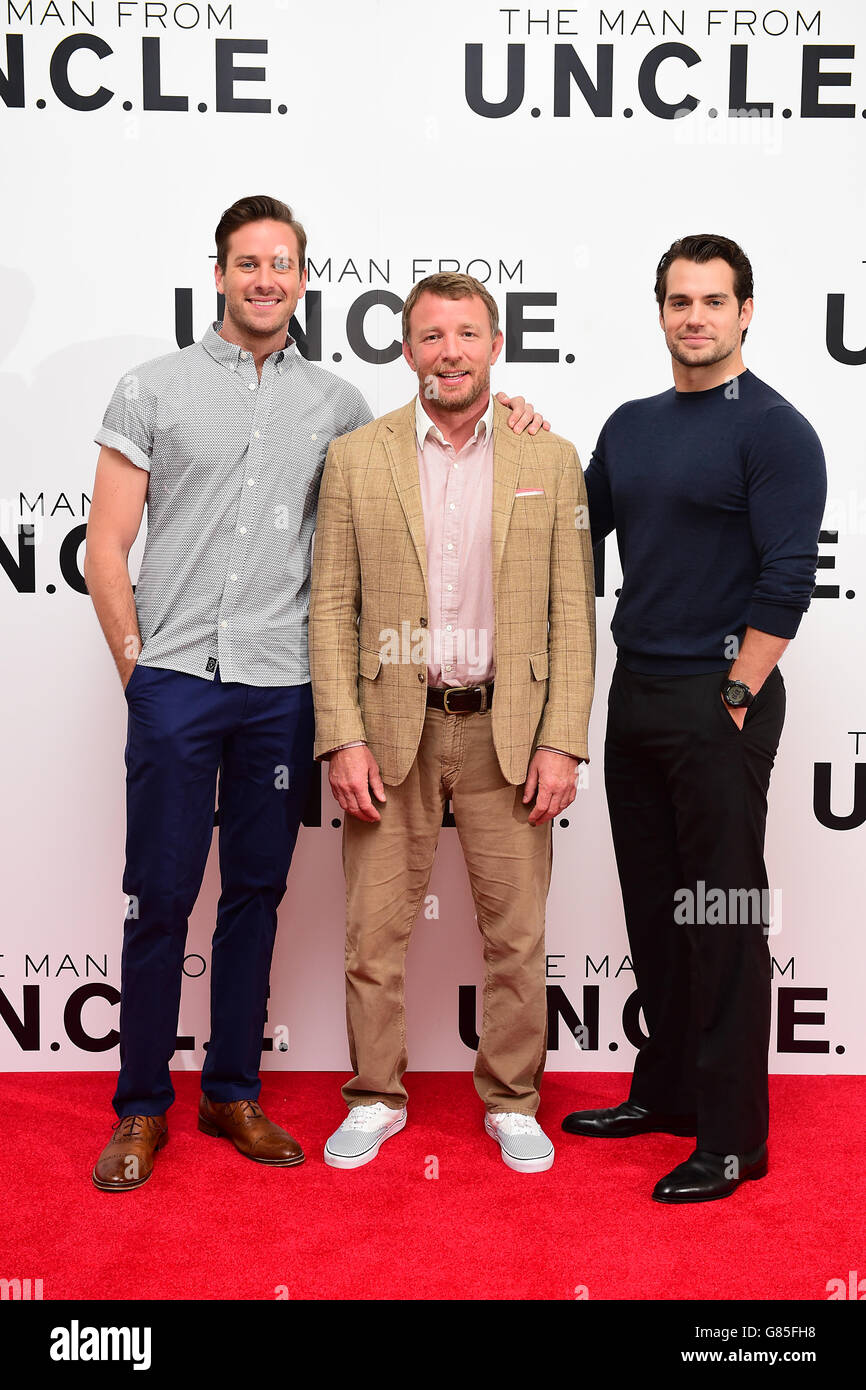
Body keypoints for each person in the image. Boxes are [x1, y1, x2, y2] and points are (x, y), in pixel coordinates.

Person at [85, 199, 543, 1191]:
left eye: (281, 264)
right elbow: (104, 547)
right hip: (174, 683)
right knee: (159, 898)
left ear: (301, 279)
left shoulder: (337, 406)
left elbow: (427, 432)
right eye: (246, 263)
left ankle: (231, 1089)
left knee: (256, 894)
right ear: (218, 274)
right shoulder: (150, 389)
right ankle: (138, 1108)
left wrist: (513, 416)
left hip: (283, 693)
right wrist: (138, 667)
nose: (263, 279)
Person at [309, 272, 596, 1173]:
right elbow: (331, 608)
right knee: (373, 933)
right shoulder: (359, 456)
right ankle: (375, 1094)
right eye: (431, 337)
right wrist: (342, 734)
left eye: (466, 334)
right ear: (406, 350)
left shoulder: (549, 459)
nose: (450, 352)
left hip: (507, 733)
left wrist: (561, 738)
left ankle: (513, 1100)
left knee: (517, 935)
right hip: (394, 731)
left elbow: (572, 615)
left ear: (496, 342)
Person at [562, 234, 826, 1203]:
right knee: (654, 909)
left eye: (713, 301)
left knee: (719, 918)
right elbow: (568, 524)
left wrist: (734, 694)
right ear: (660, 310)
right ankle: (666, 1092)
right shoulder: (630, 425)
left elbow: (786, 579)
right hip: (633, 692)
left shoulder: (775, 430)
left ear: (745, 311)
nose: (695, 317)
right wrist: (517, 439)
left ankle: (731, 1138)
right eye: (679, 300)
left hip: (722, 701)